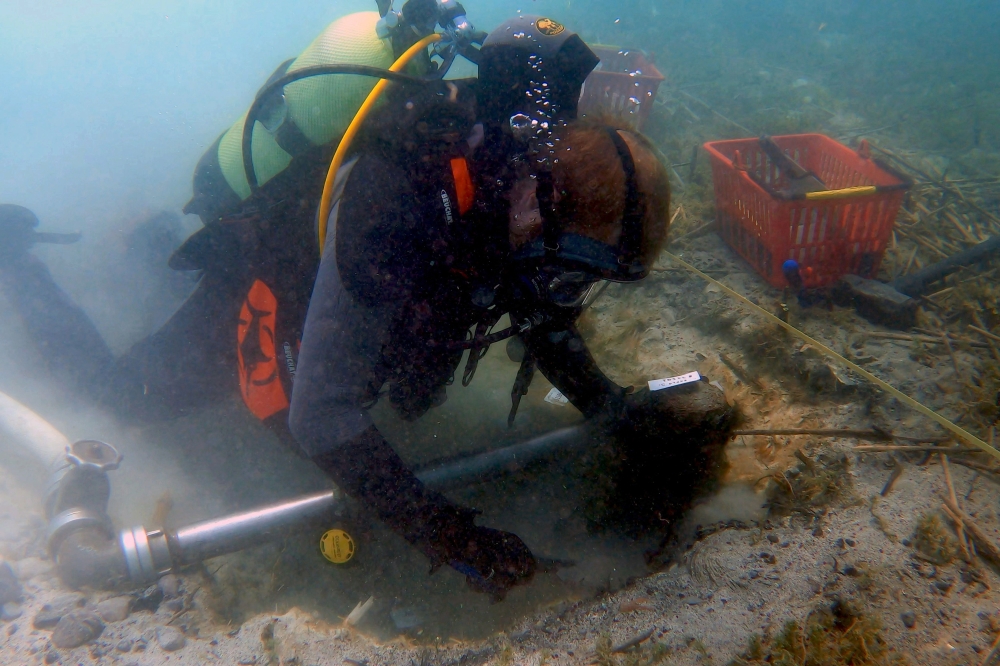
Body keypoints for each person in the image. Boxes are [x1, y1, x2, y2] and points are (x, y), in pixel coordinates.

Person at [0, 11, 713, 600]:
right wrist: (450, 535)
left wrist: (613, 413)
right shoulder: (396, 205)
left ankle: (153, 235)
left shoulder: (521, 191)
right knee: (118, 394)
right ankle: (20, 258)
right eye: (570, 274)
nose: (566, 294)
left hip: (339, 265)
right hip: (270, 284)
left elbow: (538, 315)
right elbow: (322, 415)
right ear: (534, 200)